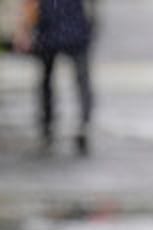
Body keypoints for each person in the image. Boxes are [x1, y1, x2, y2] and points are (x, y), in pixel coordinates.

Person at [16, 0, 95, 154]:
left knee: (48, 77)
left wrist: (24, 30)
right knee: (80, 78)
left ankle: (49, 125)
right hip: (70, 23)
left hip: (52, 22)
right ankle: (81, 122)